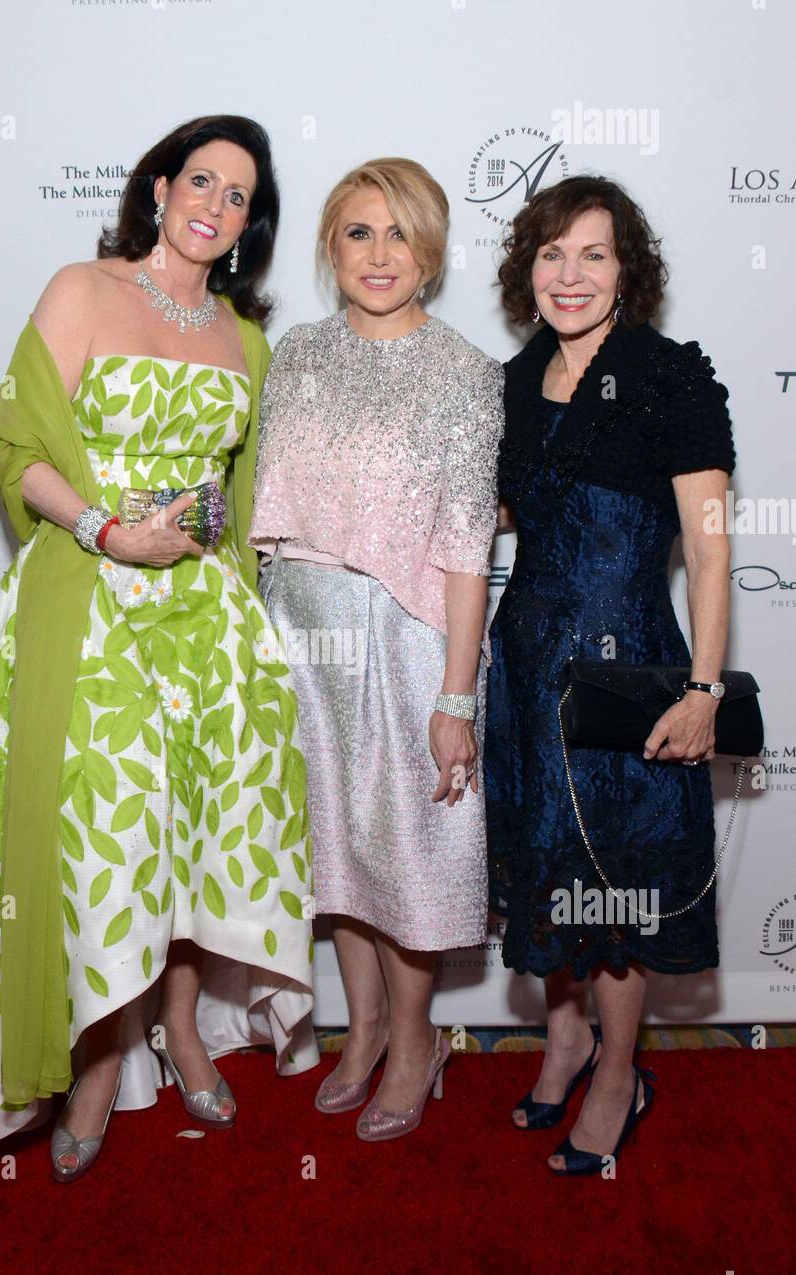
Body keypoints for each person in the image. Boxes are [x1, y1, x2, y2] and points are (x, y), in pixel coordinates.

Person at [0, 114, 317, 1181]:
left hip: (206, 621)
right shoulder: (83, 289)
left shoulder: (245, 338)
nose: (215, 204)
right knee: (100, 849)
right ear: (159, 188)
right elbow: (17, 443)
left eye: (239, 195)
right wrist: (109, 530)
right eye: (201, 179)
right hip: (88, 603)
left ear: (252, 223)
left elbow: (240, 501)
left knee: (195, 840)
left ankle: (186, 1027)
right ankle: (99, 1060)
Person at [485, 175, 736, 1174]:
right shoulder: (513, 380)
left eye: (594, 253)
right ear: (526, 272)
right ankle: (567, 1043)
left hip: (630, 672)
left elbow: (711, 549)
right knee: (550, 873)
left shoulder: (666, 375)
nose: (570, 274)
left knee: (617, 889)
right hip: (527, 667)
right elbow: (506, 516)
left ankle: (622, 1071)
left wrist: (704, 687)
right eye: (552, 254)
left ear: (627, 269)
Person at [249, 158, 502, 1142]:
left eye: (401, 233)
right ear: (330, 247)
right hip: (298, 632)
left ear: (431, 249)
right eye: (360, 232)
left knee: (406, 853)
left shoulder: (466, 374)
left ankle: (416, 1039)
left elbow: (469, 549)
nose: (380, 254)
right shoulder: (297, 355)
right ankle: (361, 1034)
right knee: (335, 853)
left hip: (403, 638)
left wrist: (458, 697)